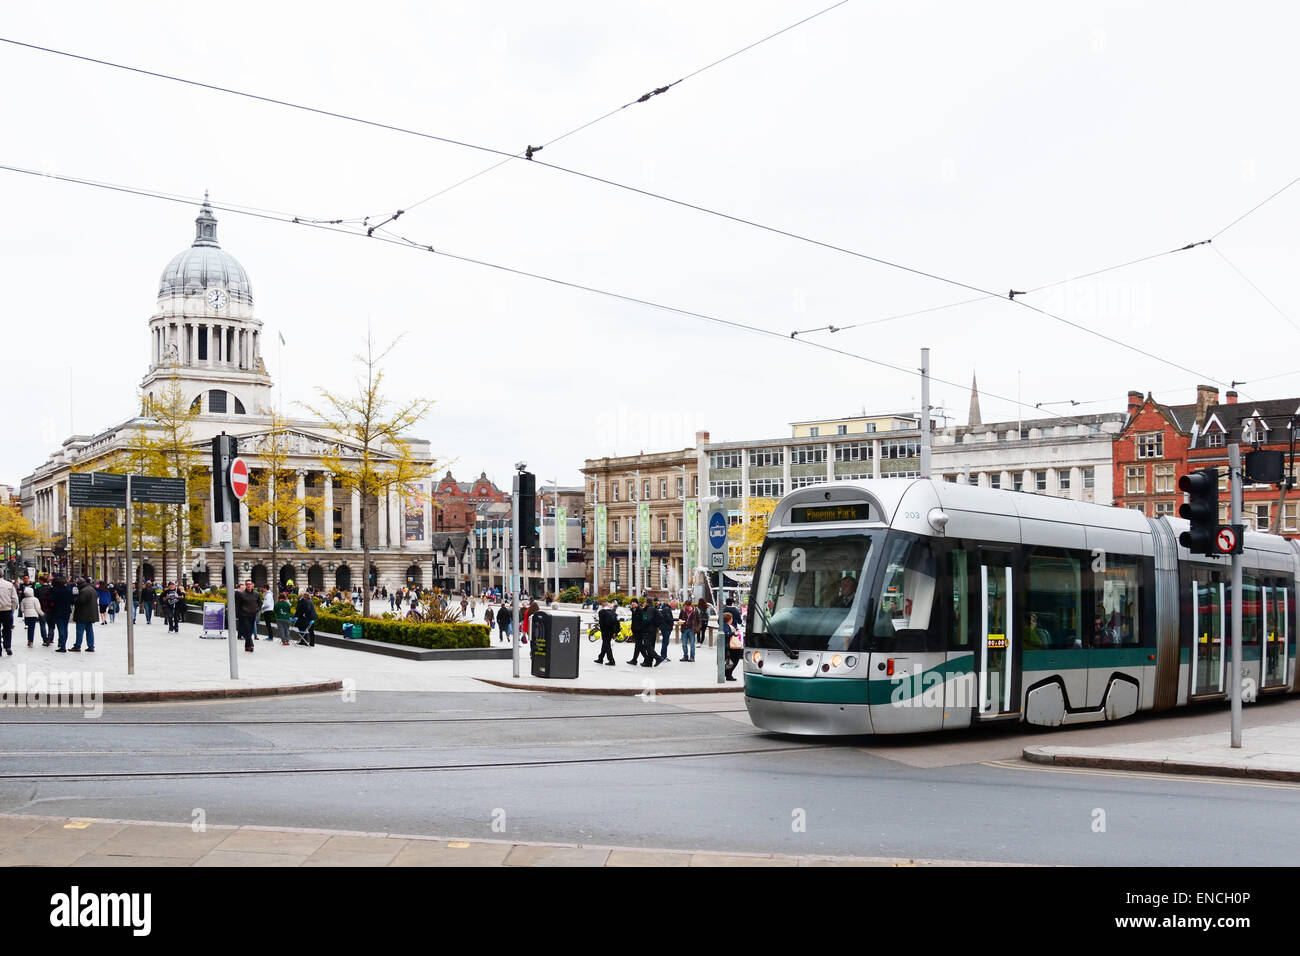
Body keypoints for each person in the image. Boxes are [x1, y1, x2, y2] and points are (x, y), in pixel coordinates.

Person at [49, 575, 75, 651]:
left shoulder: (56, 591)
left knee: (61, 629)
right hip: (67, 611)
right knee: (65, 628)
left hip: (58, 611)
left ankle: (62, 646)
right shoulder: (68, 590)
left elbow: (51, 600)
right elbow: (72, 600)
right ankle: (64, 644)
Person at [72, 577, 98, 653]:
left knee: (80, 631)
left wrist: (75, 600)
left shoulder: (84, 591)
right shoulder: (91, 589)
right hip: (90, 614)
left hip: (83, 614)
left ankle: (77, 646)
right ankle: (91, 646)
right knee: (89, 631)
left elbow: (80, 601)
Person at [234, 579, 261, 653]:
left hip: (253, 614)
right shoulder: (242, 594)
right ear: (246, 585)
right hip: (244, 615)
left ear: (252, 585)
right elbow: (238, 605)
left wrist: (257, 609)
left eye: (250, 584)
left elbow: (260, 603)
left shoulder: (256, 594)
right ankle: (251, 644)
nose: (249, 585)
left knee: (250, 630)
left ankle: (247, 646)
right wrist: (239, 614)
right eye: (247, 584)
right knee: (247, 629)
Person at [595, 599, 619, 666]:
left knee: (607, 645)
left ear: (602, 605)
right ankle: (600, 658)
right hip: (611, 631)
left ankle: (611, 660)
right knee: (605, 644)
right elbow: (617, 623)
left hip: (605, 631)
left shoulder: (601, 612)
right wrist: (616, 632)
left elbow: (601, 623)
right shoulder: (613, 612)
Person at [722, 611, 742, 681]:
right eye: (731, 618)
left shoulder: (726, 625)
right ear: (729, 619)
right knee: (734, 660)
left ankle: (727, 673)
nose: (732, 620)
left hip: (728, 646)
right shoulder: (725, 625)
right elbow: (726, 634)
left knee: (730, 660)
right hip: (729, 646)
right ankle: (728, 673)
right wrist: (734, 633)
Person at [656, 598, 675, 664]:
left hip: (664, 627)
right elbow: (668, 618)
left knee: (665, 642)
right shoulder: (667, 609)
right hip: (666, 628)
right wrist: (676, 619)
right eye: (675, 605)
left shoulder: (666, 608)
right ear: (672, 604)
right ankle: (663, 656)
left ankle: (663, 656)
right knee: (665, 642)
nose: (675, 607)